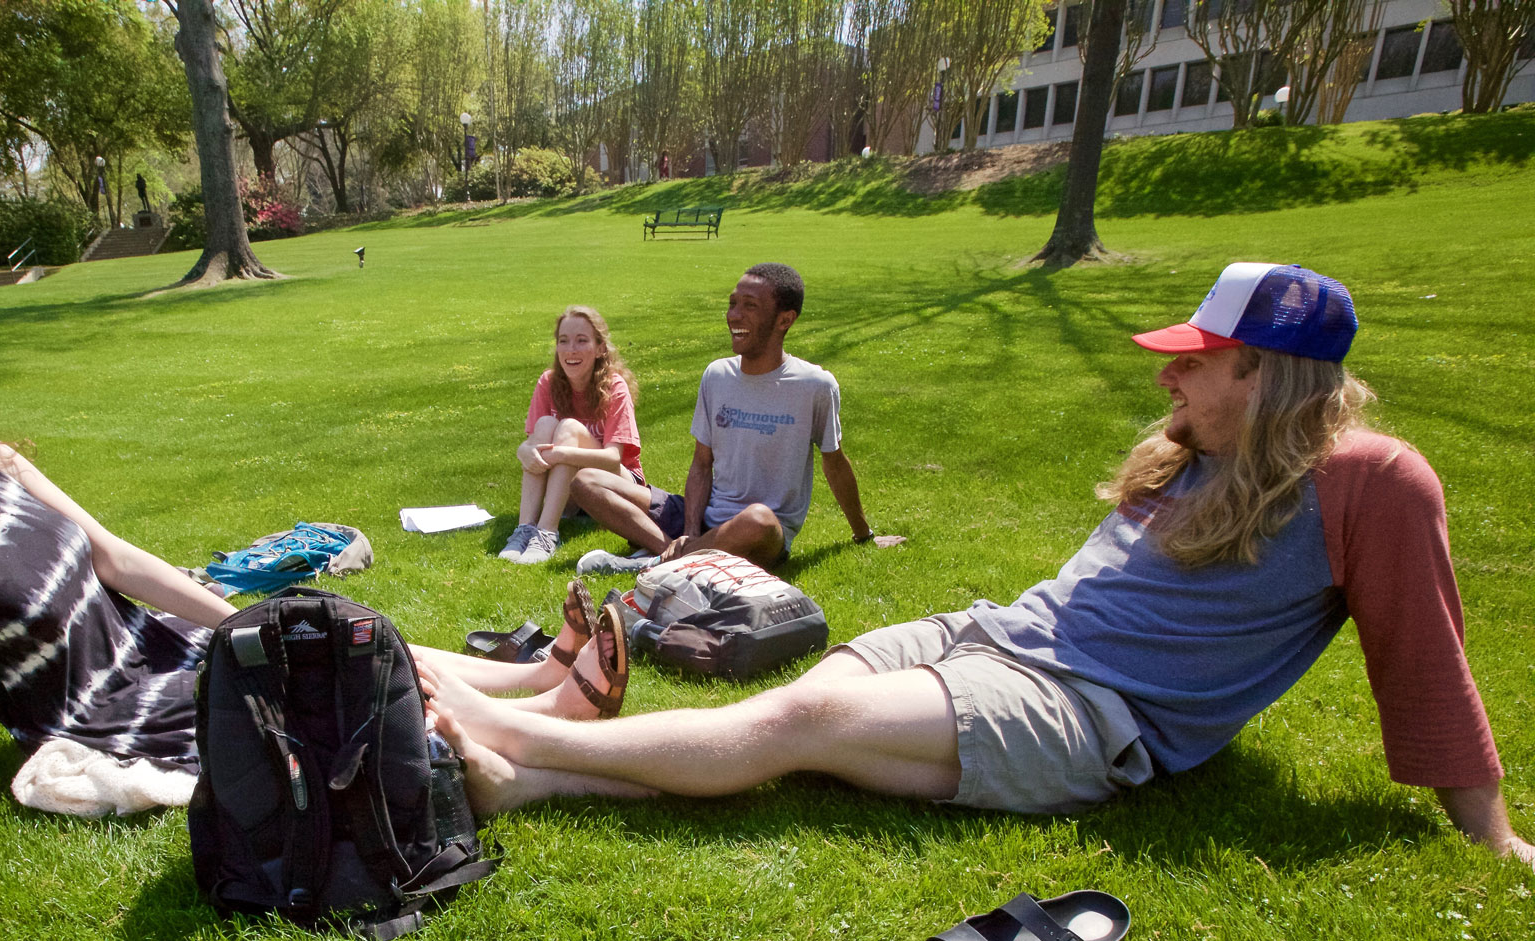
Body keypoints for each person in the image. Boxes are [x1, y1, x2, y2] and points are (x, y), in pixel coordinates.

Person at [424, 263, 1533, 866]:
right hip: (996, 632)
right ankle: (530, 782)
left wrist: (1489, 833)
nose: (1169, 385)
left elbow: (1421, 657)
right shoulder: (1198, 453)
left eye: (1198, 365)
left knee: (798, 729)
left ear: (1266, 373)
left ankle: (523, 734)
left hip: (1088, 707)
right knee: (813, 711)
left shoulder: (1372, 484)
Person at [0, 373, 626, 834]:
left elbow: (119, 560)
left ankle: (537, 685)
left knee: (330, 627)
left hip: (171, 645)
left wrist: (244, 620)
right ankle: (554, 729)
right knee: (356, 679)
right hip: (121, 714)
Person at [572, 263, 881, 575]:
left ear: (785, 320)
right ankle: (675, 553)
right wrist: (691, 528)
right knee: (586, 481)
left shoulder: (814, 386)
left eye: (750, 306)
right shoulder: (717, 375)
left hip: (759, 534)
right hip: (705, 515)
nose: (734, 315)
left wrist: (863, 534)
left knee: (757, 517)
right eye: (733, 304)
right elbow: (701, 464)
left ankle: (658, 564)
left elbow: (835, 462)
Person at [497, 306, 644, 566]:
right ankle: (525, 529)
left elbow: (613, 458)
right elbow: (532, 445)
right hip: (572, 493)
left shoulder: (615, 387)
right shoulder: (549, 382)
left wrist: (561, 452)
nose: (571, 350)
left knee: (569, 429)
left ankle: (547, 533)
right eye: (563, 341)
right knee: (544, 424)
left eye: (581, 341)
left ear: (600, 348)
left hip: (618, 486)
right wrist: (524, 451)